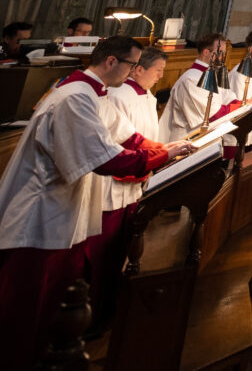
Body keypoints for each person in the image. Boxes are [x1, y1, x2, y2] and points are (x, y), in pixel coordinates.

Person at [0, 37, 194, 370]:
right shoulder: (74, 97)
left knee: (52, 301)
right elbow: (107, 159)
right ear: (111, 61)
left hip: (60, 209)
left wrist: (164, 149)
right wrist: (163, 155)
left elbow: (126, 137)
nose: (130, 73)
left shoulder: (95, 94)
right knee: (23, 304)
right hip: (39, 215)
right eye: (128, 66)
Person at [90, 47, 170, 323]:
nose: (161, 76)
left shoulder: (146, 95)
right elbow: (117, 141)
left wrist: (160, 151)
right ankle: (96, 310)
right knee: (103, 253)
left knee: (123, 248)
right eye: (157, 70)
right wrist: (156, 155)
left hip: (136, 177)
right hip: (113, 185)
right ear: (137, 69)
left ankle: (112, 304)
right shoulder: (115, 95)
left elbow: (138, 137)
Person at [157, 34, 240, 140]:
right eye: (220, 53)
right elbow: (211, 114)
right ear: (206, 52)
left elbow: (228, 97)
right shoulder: (191, 79)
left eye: (223, 53)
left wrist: (241, 104)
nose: (222, 58)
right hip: (186, 140)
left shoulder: (212, 74)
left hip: (204, 138)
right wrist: (240, 108)